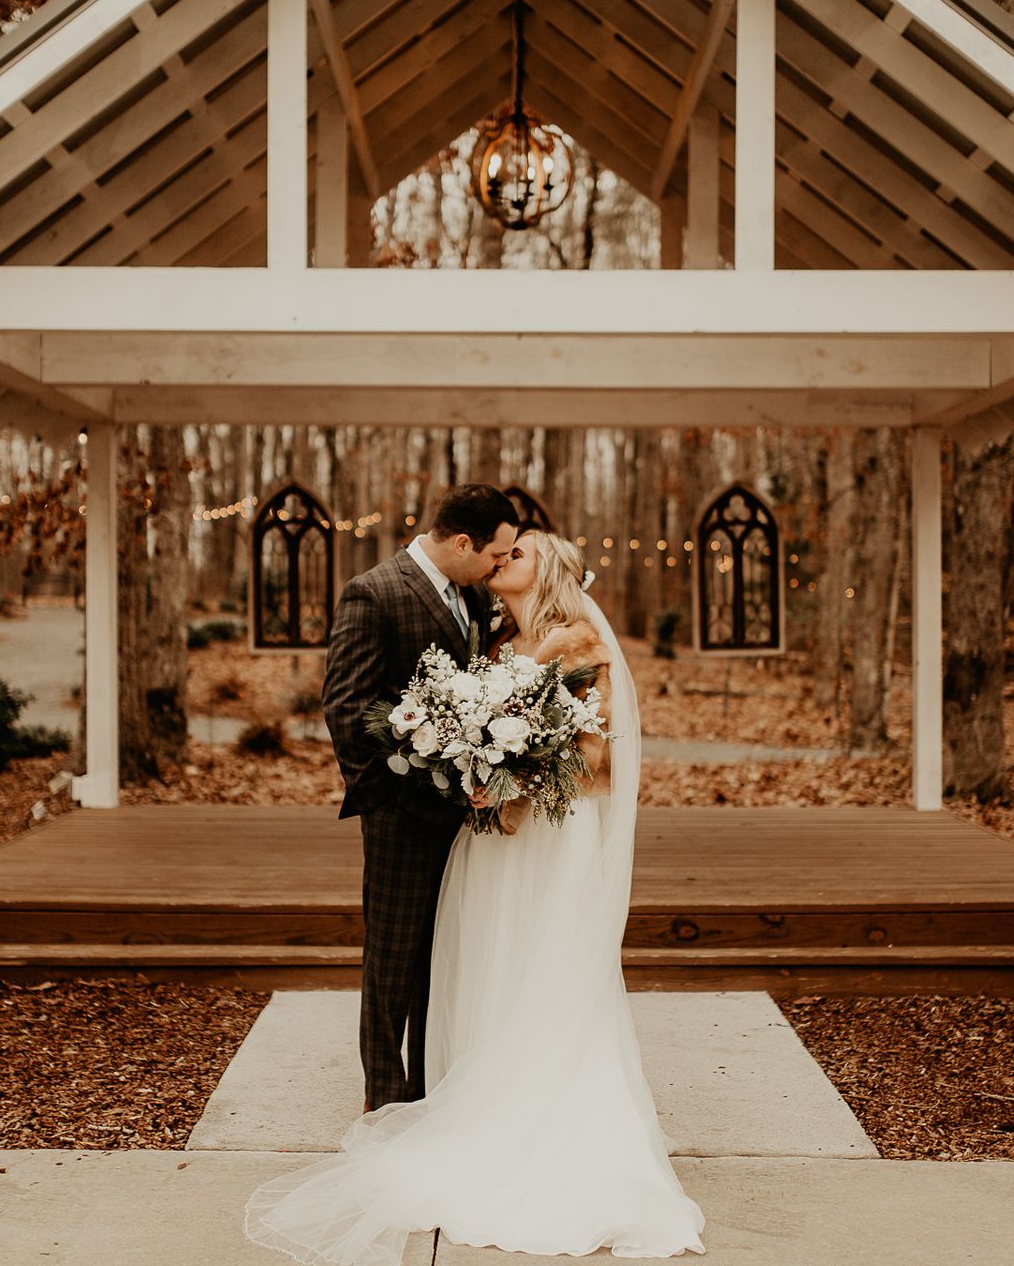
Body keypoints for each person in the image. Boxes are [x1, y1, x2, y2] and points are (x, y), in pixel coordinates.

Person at [246, 527, 707, 1265]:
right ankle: (478, 1099)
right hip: (492, 843)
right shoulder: (493, 651)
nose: (502, 562)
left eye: (517, 555)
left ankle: (544, 1116)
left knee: (542, 967)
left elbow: (596, 757)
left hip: (551, 839)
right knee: (488, 961)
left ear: (547, 571)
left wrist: (510, 784)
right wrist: (469, 771)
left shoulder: (578, 644)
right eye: (501, 552)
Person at [320, 483, 520, 1114]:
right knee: (393, 957)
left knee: (442, 952)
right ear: (463, 542)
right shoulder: (375, 591)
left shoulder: (471, 592)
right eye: (495, 554)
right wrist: (397, 792)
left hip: (461, 811)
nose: (498, 566)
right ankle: (384, 1098)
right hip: (401, 811)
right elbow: (347, 708)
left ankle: (425, 1085)